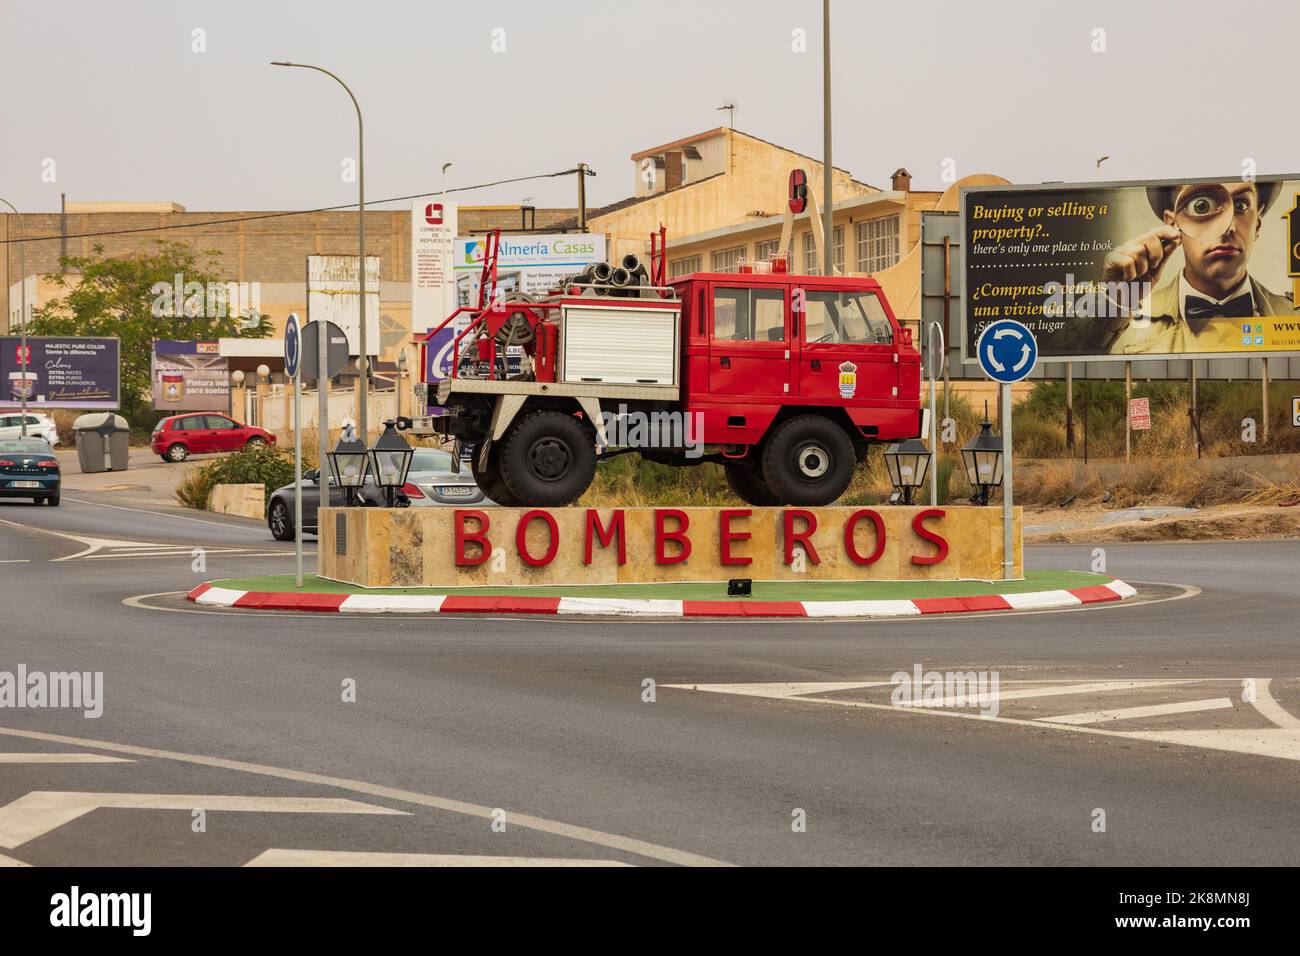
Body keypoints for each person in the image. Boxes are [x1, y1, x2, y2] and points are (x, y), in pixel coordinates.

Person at [1097, 180, 1298, 354]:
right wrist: (1112, 304)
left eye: (1240, 205)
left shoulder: (1294, 317)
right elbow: (1079, 377)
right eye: (1202, 206)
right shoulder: (1126, 323)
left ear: (1257, 225)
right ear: (1173, 225)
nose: (1227, 228)